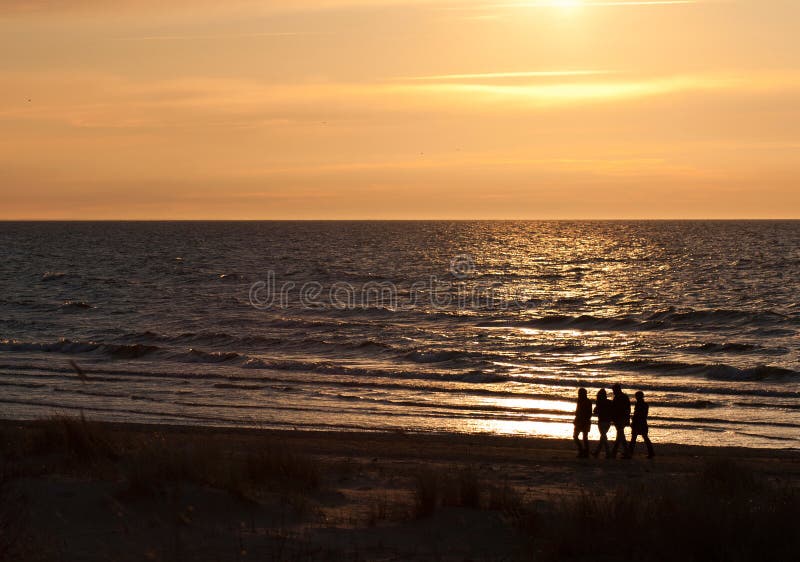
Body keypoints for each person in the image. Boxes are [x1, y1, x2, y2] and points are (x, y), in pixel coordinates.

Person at [625, 391, 655, 459]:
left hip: (638, 423)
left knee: (634, 439)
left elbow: (637, 414)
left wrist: (633, 422)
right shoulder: (645, 404)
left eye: (636, 396)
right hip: (643, 422)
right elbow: (643, 415)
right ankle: (651, 452)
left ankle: (630, 453)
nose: (636, 397)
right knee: (644, 438)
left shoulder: (638, 404)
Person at [610, 383, 631, 458]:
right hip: (622, 418)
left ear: (616, 389)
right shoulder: (624, 396)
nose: (613, 391)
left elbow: (615, 408)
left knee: (620, 435)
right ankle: (615, 452)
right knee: (620, 435)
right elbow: (628, 409)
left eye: (613, 390)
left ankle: (624, 453)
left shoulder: (618, 397)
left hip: (619, 419)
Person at [591, 388, 612, 458]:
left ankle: (607, 453)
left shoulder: (599, 402)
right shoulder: (609, 402)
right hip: (608, 421)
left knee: (603, 437)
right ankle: (597, 452)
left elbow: (596, 411)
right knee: (603, 437)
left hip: (602, 421)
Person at [573, 388, 592, 458]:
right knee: (583, 438)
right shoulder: (586, 401)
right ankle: (584, 452)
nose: (578, 395)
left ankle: (583, 451)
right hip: (583, 421)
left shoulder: (583, 401)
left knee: (578, 437)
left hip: (582, 421)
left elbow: (579, 412)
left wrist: (578, 419)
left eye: (579, 393)